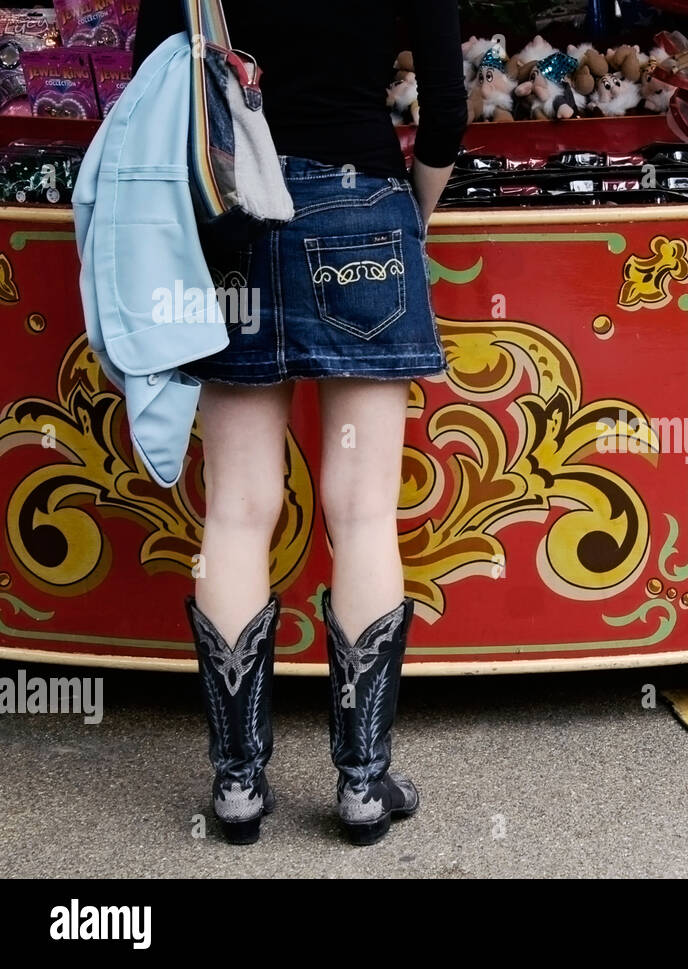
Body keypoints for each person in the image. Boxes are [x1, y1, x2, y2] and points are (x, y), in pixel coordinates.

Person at [132, 0, 467, 845]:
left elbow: (153, 83)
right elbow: (447, 108)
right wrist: (412, 211)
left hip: (233, 222)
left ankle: (238, 786)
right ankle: (362, 785)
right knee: (361, 511)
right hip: (362, 208)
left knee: (239, 509)